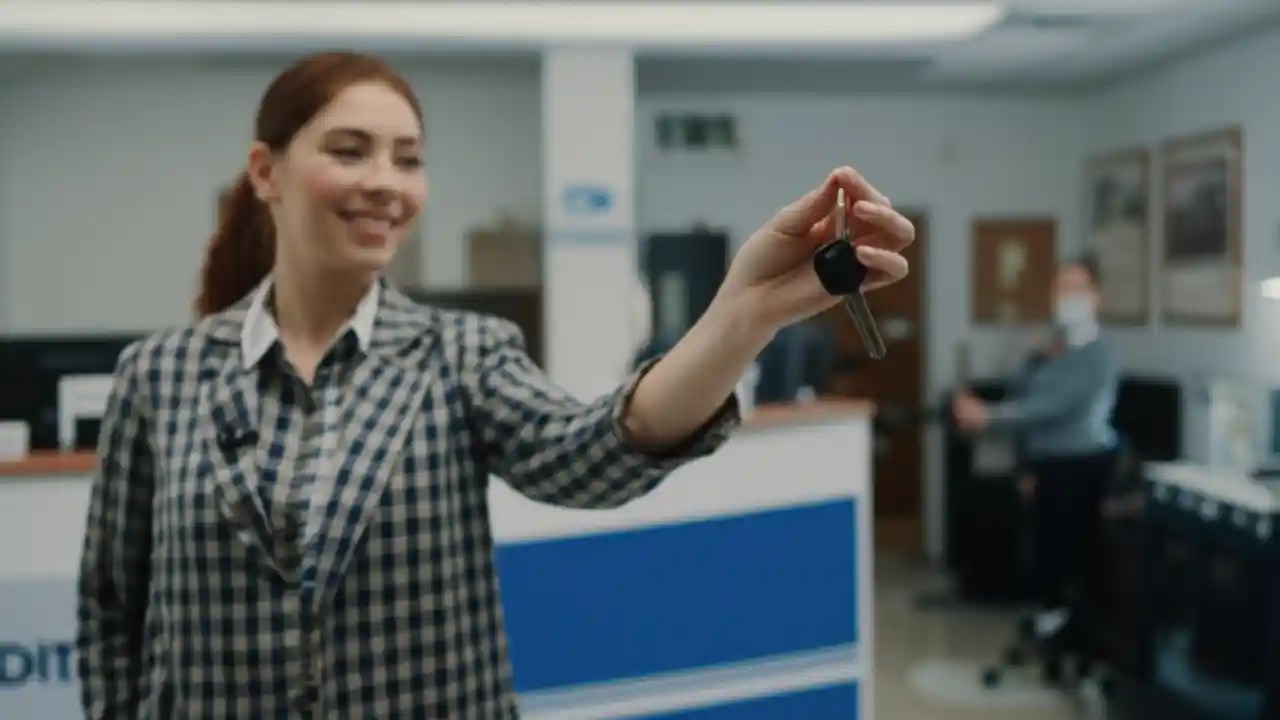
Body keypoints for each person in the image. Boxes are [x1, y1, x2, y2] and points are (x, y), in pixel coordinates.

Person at [75, 51, 914, 719]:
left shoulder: (460, 354)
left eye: (408, 159)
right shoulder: (160, 376)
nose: (385, 181)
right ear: (266, 171)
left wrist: (740, 317)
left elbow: (593, 453)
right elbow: (113, 609)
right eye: (349, 150)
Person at [952, 254, 1120, 658]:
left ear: (1096, 296)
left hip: (1080, 466)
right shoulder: (1055, 345)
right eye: (1061, 288)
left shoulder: (1100, 353)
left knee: (1068, 558)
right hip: (1045, 464)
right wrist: (1036, 355)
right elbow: (1023, 391)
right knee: (1044, 556)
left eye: (1077, 288)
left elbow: (1051, 408)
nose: (1068, 297)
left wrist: (986, 416)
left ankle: (1069, 640)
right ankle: (1051, 628)